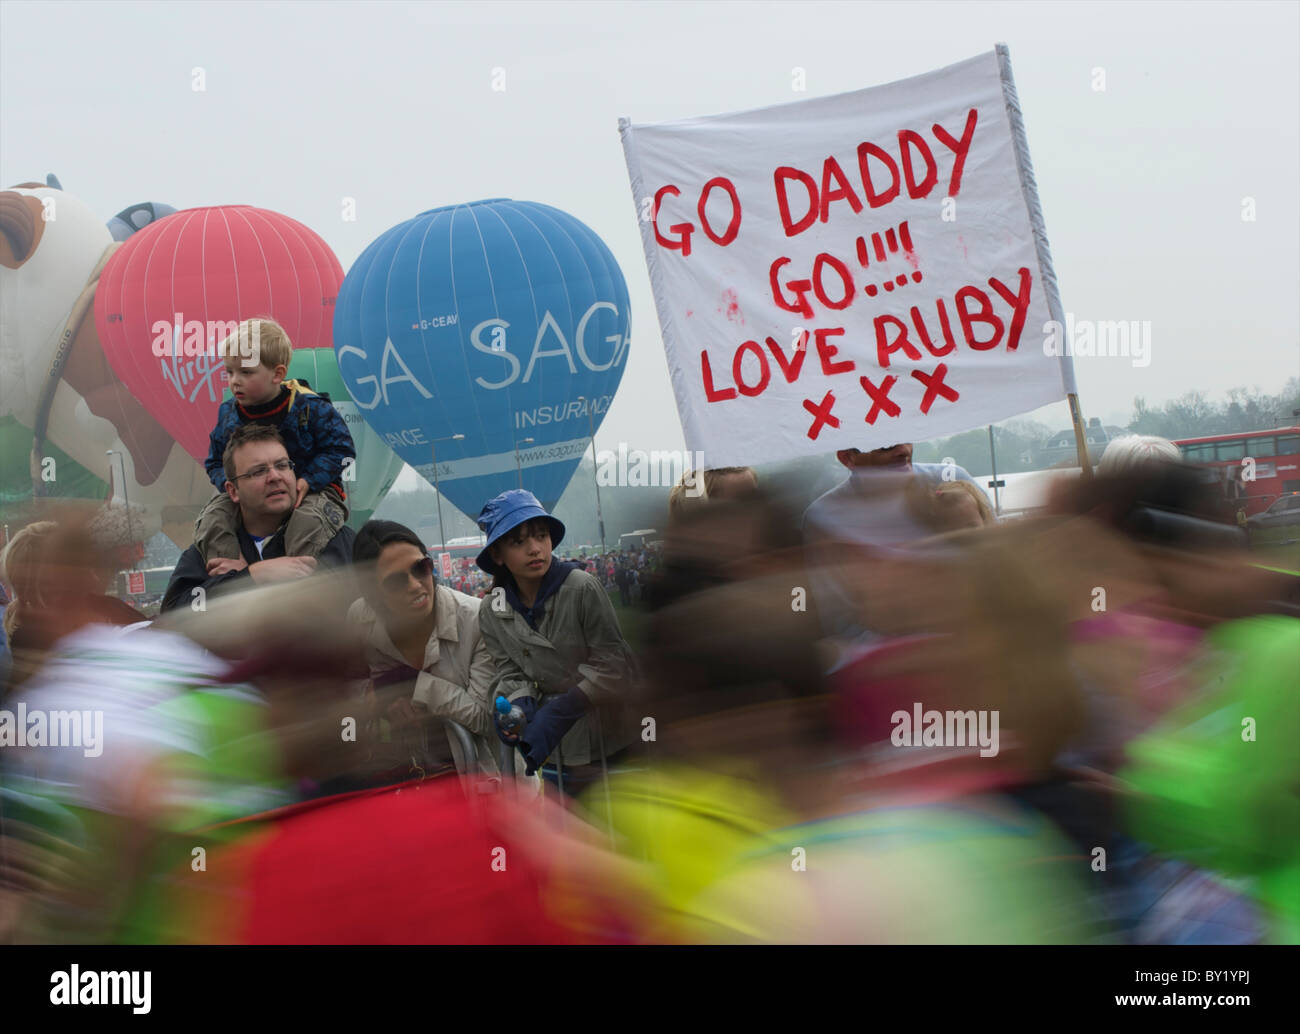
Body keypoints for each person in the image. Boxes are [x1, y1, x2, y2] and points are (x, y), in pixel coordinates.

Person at [475, 489, 638, 797]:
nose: (535, 549)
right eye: (519, 542)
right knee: (570, 836)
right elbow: (507, 671)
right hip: (555, 749)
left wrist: (563, 708)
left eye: (541, 536)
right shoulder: (491, 609)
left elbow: (615, 666)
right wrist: (519, 706)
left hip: (611, 739)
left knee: (622, 832)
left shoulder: (581, 587)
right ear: (497, 554)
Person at [347, 520, 503, 783]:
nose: (416, 585)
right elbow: (351, 689)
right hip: (404, 779)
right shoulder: (360, 619)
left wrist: (412, 685)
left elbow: (485, 718)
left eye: (421, 568)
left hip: (483, 783)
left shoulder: (477, 620)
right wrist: (383, 702)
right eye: (397, 581)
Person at [195, 318, 355, 565]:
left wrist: (309, 480)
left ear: (277, 374)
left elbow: (342, 450)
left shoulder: (309, 407)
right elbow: (215, 461)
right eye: (229, 372)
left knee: (308, 521)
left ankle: (296, 577)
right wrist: (234, 488)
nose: (235, 380)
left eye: (246, 372)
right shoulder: (228, 414)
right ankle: (230, 576)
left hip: (315, 490)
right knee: (213, 518)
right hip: (251, 494)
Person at [162, 424, 355, 613]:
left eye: (282, 465)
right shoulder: (211, 546)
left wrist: (249, 581)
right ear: (233, 491)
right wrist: (252, 576)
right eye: (258, 471)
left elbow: (344, 611)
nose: (275, 476)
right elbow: (175, 613)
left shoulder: (330, 538)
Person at [802, 442, 977, 648]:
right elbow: (840, 622)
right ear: (847, 458)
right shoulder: (823, 517)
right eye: (885, 445)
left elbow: (1000, 563)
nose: (903, 451)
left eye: (906, 437)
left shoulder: (953, 482)